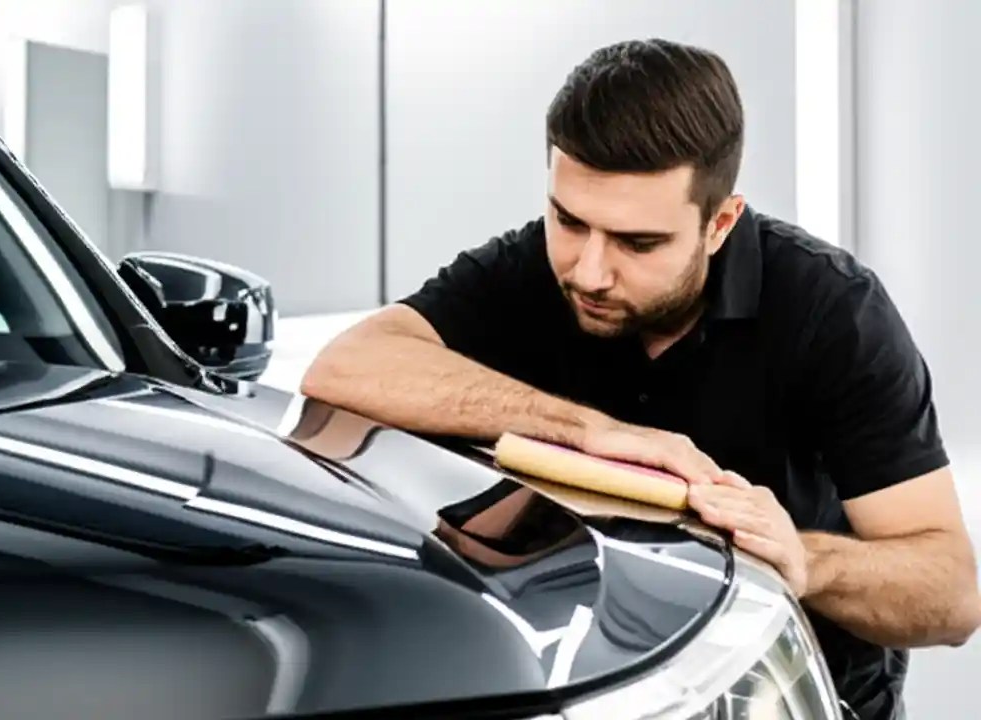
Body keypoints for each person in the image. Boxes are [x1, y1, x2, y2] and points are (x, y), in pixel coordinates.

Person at [300, 38, 981, 719]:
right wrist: (593, 433)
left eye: (638, 243)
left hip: (792, 697)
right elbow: (345, 366)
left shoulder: (834, 312)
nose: (589, 271)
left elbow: (952, 595)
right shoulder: (539, 267)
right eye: (569, 220)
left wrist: (805, 563)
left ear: (719, 224)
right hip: (587, 687)